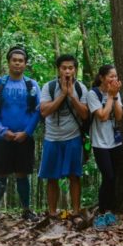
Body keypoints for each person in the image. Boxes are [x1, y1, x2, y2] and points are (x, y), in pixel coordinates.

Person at [0, 46, 41, 222]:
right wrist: (2, 130)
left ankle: (26, 210)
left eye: (21, 61)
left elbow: (38, 111)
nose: (17, 63)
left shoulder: (32, 85)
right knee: (0, 174)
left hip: (24, 137)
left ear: (25, 64)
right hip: (2, 138)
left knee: (22, 174)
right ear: (9, 62)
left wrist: (27, 132)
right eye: (14, 60)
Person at [38, 54, 89, 220]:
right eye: (64, 68)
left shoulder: (81, 88)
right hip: (52, 138)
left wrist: (72, 96)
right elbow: (44, 111)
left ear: (75, 70)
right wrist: (62, 95)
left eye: (71, 68)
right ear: (58, 69)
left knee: (74, 175)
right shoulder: (49, 87)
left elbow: (84, 114)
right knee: (51, 177)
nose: (67, 71)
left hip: (73, 138)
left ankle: (75, 211)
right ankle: (52, 212)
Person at [86, 64, 123, 231]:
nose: (114, 80)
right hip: (100, 142)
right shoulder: (92, 94)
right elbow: (102, 116)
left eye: (116, 77)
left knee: (114, 178)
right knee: (107, 176)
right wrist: (110, 96)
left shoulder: (116, 93)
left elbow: (120, 115)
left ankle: (109, 211)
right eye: (111, 76)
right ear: (102, 77)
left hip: (115, 141)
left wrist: (114, 97)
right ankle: (101, 213)